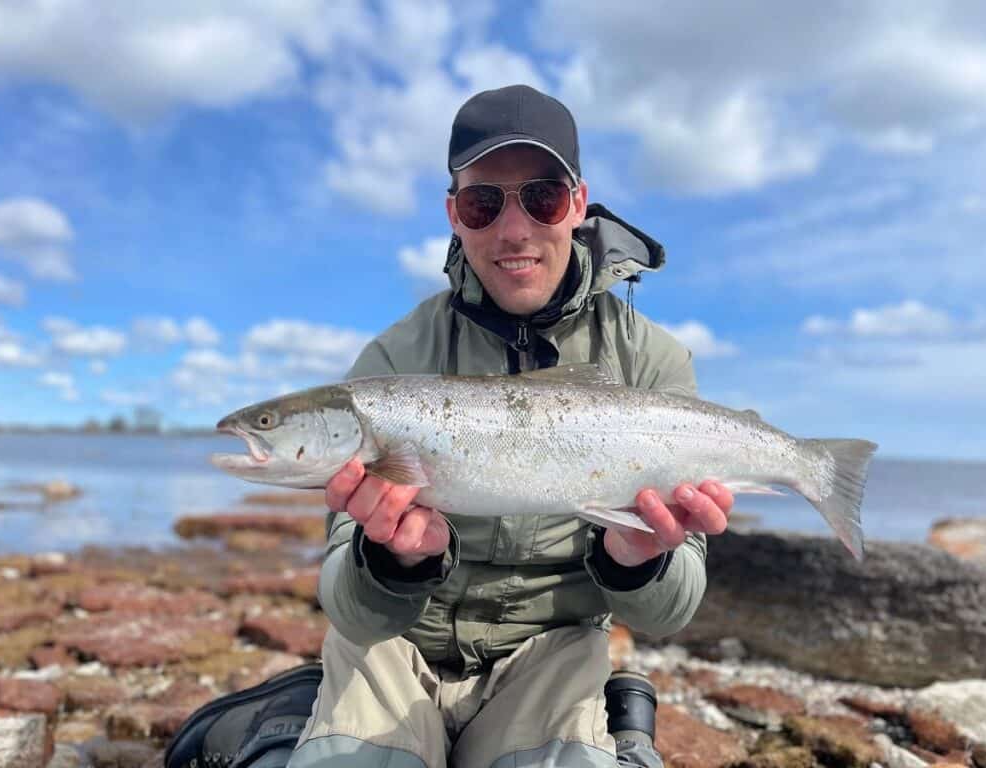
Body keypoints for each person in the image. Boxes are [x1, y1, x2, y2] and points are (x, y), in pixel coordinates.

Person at [166, 84, 733, 768]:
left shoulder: (653, 362)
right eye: (483, 203)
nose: (513, 229)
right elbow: (354, 615)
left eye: (543, 198)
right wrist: (395, 560)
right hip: (394, 652)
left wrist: (637, 557)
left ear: (578, 204)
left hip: (553, 654)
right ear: (453, 215)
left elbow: (667, 615)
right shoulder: (389, 361)